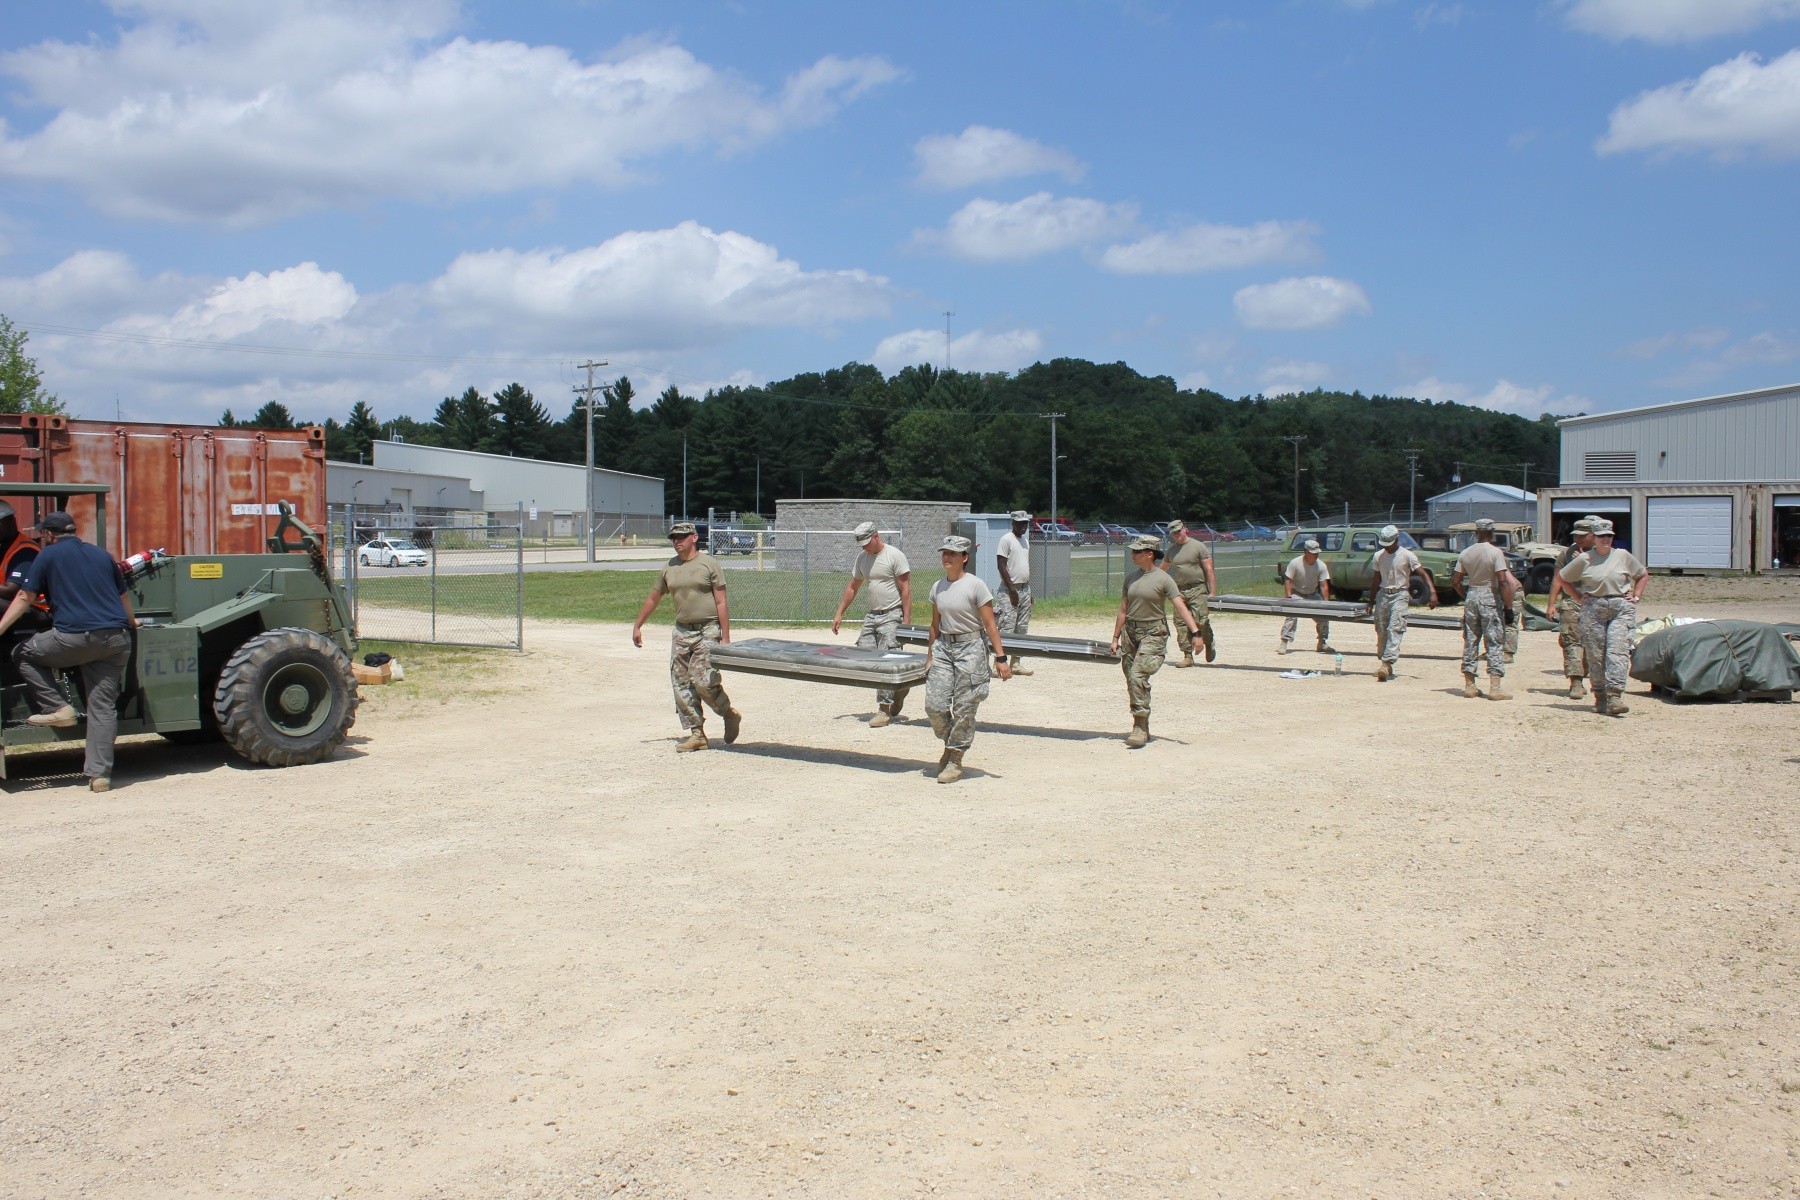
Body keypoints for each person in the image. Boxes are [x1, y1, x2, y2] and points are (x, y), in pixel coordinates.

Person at [0, 510, 139, 792]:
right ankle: (100, 776)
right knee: (102, 708)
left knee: (21, 654)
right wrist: (132, 622)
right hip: (115, 639)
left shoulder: (47, 555)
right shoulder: (102, 554)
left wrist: (1, 627)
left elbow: (25, 596)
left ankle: (58, 707)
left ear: (50, 535)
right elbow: (122, 594)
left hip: (73, 638)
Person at [632, 521, 741, 752]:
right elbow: (654, 598)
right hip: (682, 630)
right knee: (681, 683)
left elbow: (721, 601)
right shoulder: (669, 568)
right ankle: (697, 734)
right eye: (673, 537)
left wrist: (725, 636)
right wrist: (638, 625)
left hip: (707, 629)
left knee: (702, 680)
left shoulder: (709, 564)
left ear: (694, 538)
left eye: (681, 537)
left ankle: (728, 713)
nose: (676, 541)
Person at [924, 535, 1011, 783]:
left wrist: (1001, 658)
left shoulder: (976, 585)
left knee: (964, 708)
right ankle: (950, 744)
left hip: (971, 648)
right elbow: (934, 625)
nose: (946, 557)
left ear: (964, 558)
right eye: (944, 553)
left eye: (952, 553)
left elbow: (990, 624)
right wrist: (929, 655)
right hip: (943, 648)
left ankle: (955, 759)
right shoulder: (937, 587)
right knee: (935, 706)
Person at [1111, 534, 1202, 748]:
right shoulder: (1131, 578)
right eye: (1133, 551)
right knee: (1131, 679)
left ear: (1150, 554)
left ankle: (1139, 728)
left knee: (1138, 675)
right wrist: (1115, 637)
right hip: (1131, 633)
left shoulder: (1163, 579)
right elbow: (1123, 610)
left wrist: (1196, 633)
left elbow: (1180, 606)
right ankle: (1142, 723)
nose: (1133, 554)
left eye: (1137, 551)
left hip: (1154, 632)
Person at [1558, 517, 1648, 718]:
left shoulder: (1623, 556)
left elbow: (1642, 574)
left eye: (1609, 536)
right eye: (1601, 536)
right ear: (1594, 538)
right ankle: (1600, 696)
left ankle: (1615, 696)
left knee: (1617, 651)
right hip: (1594, 608)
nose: (1605, 539)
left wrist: (1636, 595)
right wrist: (1579, 597)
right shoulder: (1584, 559)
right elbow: (1563, 578)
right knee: (1595, 654)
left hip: (1620, 607)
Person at [830, 521, 912, 727]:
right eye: (862, 545)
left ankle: (884, 710)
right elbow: (853, 587)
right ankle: (899, 688)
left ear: (877, 536)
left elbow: (905, 589)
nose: (865, 547)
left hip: (892, 615)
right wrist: (839, 613)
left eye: (867, 542)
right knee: (864, 656)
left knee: (886, 661)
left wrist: (906, 622)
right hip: (872, 616)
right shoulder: (862, 558)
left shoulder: (894, 555)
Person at [1451, 517, 1517, 700]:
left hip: (1472, 594)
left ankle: (1469, 684)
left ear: (1476, 532)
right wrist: (1508, 606)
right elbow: (1503, 580)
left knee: (1471, 639)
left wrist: (1466, 595)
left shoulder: (1465, 553)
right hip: (1490, 594)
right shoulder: (1495, 553)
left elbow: (1456, 581)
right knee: (1494, 640)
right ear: (1491, 532)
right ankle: (1495, 687)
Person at [1369, 524, 1437, 681]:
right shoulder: (1378, 556)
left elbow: (1423, 574)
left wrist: (1432, 593)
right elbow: (1376, 579)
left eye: (1389, 544)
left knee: (1395, 627)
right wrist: (1370, 602)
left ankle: (1386, 663)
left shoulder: (1407, 555)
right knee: (1381, 630)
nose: (1386, 548)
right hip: (1383, 595)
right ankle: (1384, 662)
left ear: (1396, 540)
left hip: (1400, 594)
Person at [1545, 518, 1597, 698]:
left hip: (1597, 603)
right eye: (1576, 536)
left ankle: (1588, 677)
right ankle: (1576, 682)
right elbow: (1557, 580)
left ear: (1593, 535)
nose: (1579, 540)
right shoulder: (1566, 554)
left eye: (1583, 536)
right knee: (1571, 641)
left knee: (1593, 644)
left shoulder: (1604, 554)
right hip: (1572, 603)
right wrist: (1551, 605)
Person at [0, 502, 50, 666]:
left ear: (11, 522)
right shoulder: (5, 547)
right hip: (16, 605)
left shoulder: (24, 551)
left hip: (35, 609)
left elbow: (11, 591)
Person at [1163, 520, 1218, 667]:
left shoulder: (1198, 546)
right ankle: (1187, 656)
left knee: (1200, 620)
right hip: (1179, 590)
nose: (1176, 535)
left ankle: (1208, 640)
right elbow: (1162, 569)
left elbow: (1209, 569)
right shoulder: (1172, 550)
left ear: (1185, 529)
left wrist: (1212, 592)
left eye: (1178, 531)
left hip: (1198, 588)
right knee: (1181, 623)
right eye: (1173, 533)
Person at [993, 510, 1034, 675]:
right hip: (1009, 590)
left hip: (1025, 588)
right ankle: (998, 663)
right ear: (1013, 523)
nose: (1023, 526)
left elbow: (1024, 566)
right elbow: (1001, 566)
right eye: (1020, 523)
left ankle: (1016, 663)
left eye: (1026, 523)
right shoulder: (1006, 540)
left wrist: (1029, 591)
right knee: (1006, 627)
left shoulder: (1025, 541)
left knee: (1022, 627)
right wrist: (1012, 590)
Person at [1278, 538, 1332, 654]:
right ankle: (1284, 642)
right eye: (1313, 553)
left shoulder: (1321, 565)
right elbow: (1288, 580)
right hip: (1297, 593)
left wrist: (1326, 602)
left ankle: (1322, 643)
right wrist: (1289, 598)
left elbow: (1323, 585)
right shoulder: (1295, 563)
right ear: (1306, 552)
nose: (1316, 555)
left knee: (1324, 615)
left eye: (1317, 553)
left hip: (1312, 594)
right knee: (1291, 615)